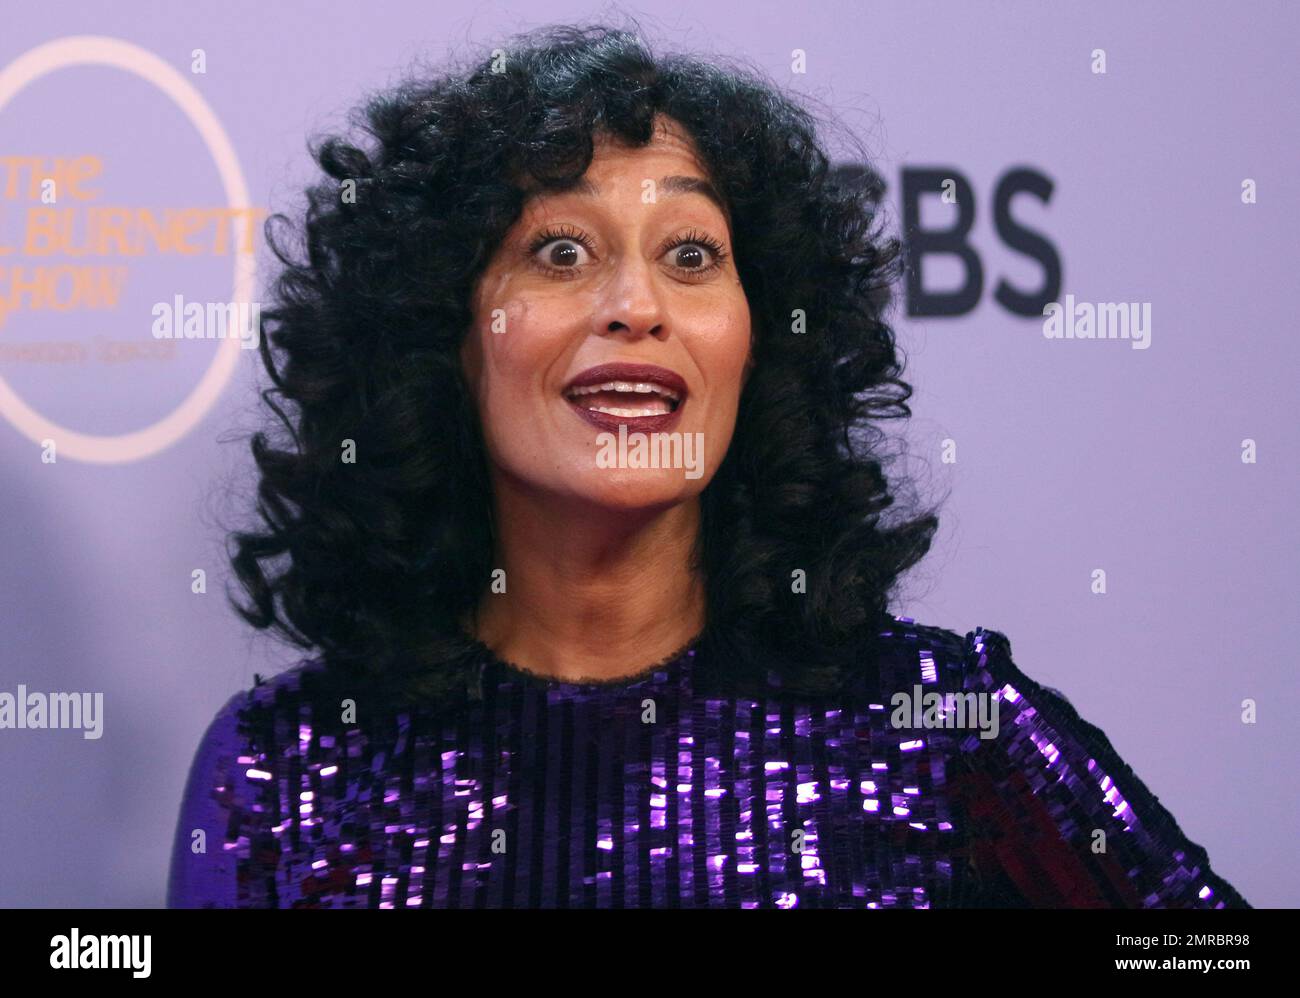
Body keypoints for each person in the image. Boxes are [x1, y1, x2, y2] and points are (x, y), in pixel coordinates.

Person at [167, 23, 1249, 909]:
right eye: (561, 251)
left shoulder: (942, 721)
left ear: (757, 336)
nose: (636, 306)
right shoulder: (292, 764)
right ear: (441, 332)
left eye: (692, 256)